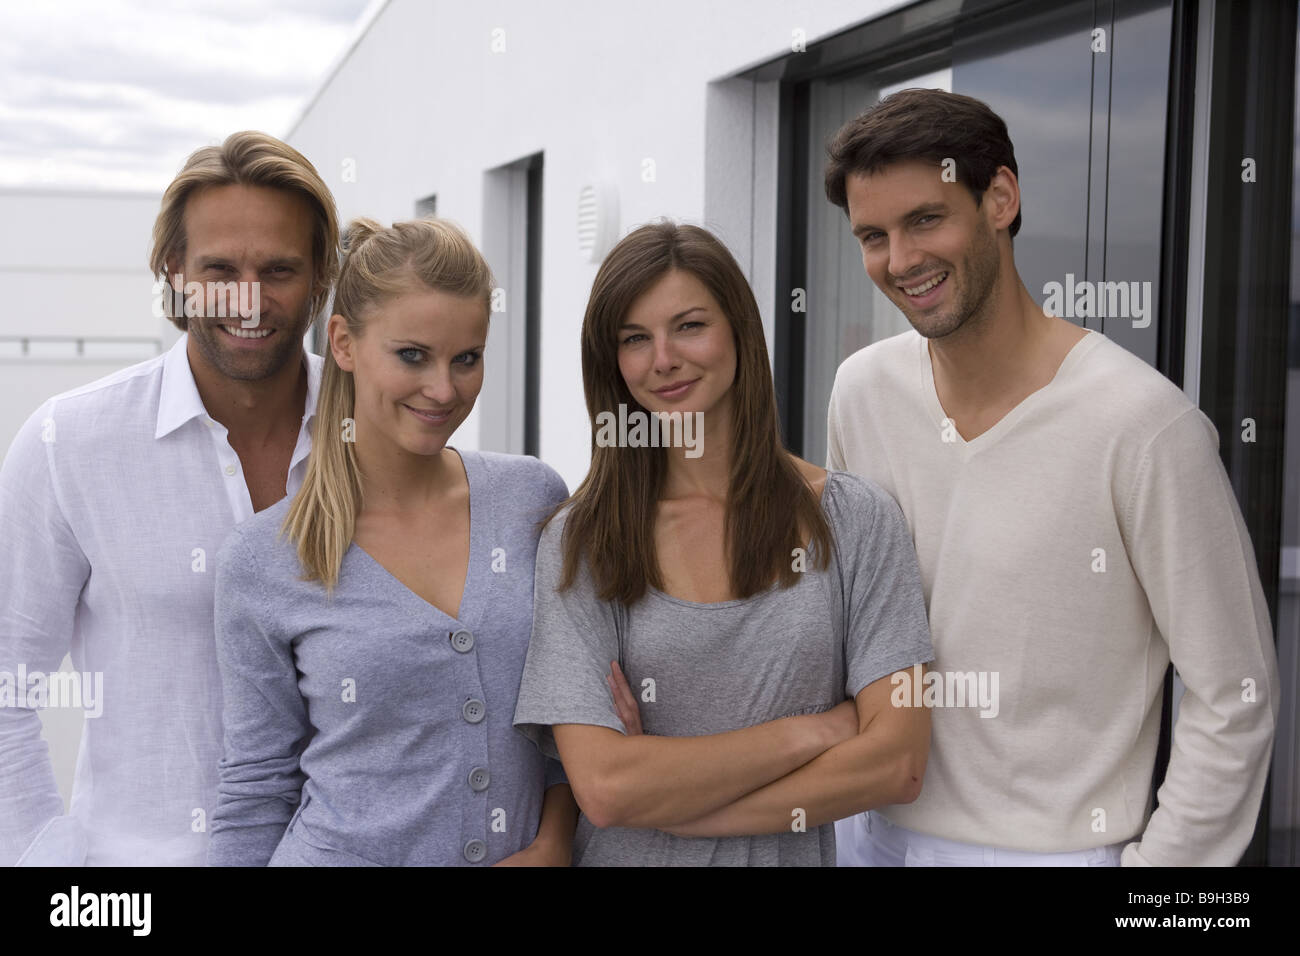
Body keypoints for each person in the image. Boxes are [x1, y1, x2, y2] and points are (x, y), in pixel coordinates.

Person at [823, 88, 1280, 866]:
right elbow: (843, 614)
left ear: (1000, 198)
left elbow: (1235, 695)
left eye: (925, 219)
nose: (900, 262)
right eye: (874, 235)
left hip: (1046, 852)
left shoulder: (1143, 425)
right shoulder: (862, 392)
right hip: (868, 829)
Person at [512, 220, 934, 866]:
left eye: (689, 325)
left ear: (739, 330)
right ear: (612, 363)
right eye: (634, 339)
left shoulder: (854, 521)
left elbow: (897, 764)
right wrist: (817, 730)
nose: (663, 359)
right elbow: (605, 786)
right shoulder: (584, 540)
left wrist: (680, 803)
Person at [0, 131, 339, 866]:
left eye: (279, 268)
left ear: (321, 278)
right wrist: (47, 862)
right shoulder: (68, 444)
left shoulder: (373, 432)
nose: (248, 298)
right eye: (220, 268)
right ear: (173, 272)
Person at [208, 217, 577, 867]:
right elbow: (256, 791)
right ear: (344, 343)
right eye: (413, 356)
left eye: (467, 359)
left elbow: (569, 722)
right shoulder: (264, 559)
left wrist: (552, 845)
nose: (444, 389)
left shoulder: (532, 500)